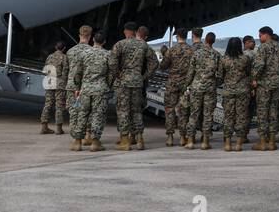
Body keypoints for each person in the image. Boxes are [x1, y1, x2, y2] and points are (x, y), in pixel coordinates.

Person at [111, 23, 158, 151]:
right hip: (137, 82)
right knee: (137, 110)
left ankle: (125, 141)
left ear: (125, 31)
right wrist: (144, 76)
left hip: (124, 82)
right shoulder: (143, 45)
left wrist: (118, 75)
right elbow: (154, 63)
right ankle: (140, 139)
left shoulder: (119, 44)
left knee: (123, 110)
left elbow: (112, 63)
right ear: (135, 31)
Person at [69, 31, 114, 152]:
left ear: (93, 40)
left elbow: (77, 73)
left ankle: (77, 142)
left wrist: (78, 87)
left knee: (82, 114)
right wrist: (107, 85)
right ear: (104, 42)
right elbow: (111, 73)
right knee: (97, 115)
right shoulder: (108, 55)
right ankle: (95, 142)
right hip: (100, 89)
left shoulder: (84, 53)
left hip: (86, 89)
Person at [185, 29, 222, 149]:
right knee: (208, 114)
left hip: (196, 87)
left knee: (194, 113)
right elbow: (220, 75)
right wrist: (214, 84)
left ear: (205, 40)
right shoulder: (217, 55)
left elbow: (191, 72)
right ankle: (205, 141)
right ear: (214, 42)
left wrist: (187, 84)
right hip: (210, 88)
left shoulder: (197, 53)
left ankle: (190, 141)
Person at [251, 26, 279, 150]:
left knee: (262, 112)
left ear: (266, 35)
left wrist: (254, 78)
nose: (259, 38)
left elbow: (259, 65)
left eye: (260, 36)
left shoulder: (263, 48)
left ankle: (263, 142)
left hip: (264, 85)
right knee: (273, 112)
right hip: (277, 84)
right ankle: (272, 142)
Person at [219, 37, 252, 151]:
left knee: (228, 117)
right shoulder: (245, 59)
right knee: (241, 117)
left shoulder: (224, 60)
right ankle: (238, 144)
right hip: (242, 91)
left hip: (228, 91)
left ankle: (228, 143)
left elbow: (220, 76)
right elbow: (249, 73)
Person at [163, 30, 193, 147]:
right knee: (183, 111)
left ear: (177, 36)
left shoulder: (171, 50)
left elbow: (163, 66)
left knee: (169, 109)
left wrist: (164, 53)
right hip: (185, 84)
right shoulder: (191, 51)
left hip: (172, 84)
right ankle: (182, 137)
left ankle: (170, 137)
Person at [40, 41, 68, 134]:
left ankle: (44, 127)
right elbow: (65, 72)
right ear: (64, 48)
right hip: (59, 83)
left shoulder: (49, 57)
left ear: (56, 47)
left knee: (48, 104)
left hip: (49, 82)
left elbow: (45, 70)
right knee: (59, 105)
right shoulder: (64, 57)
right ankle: (59, 129)